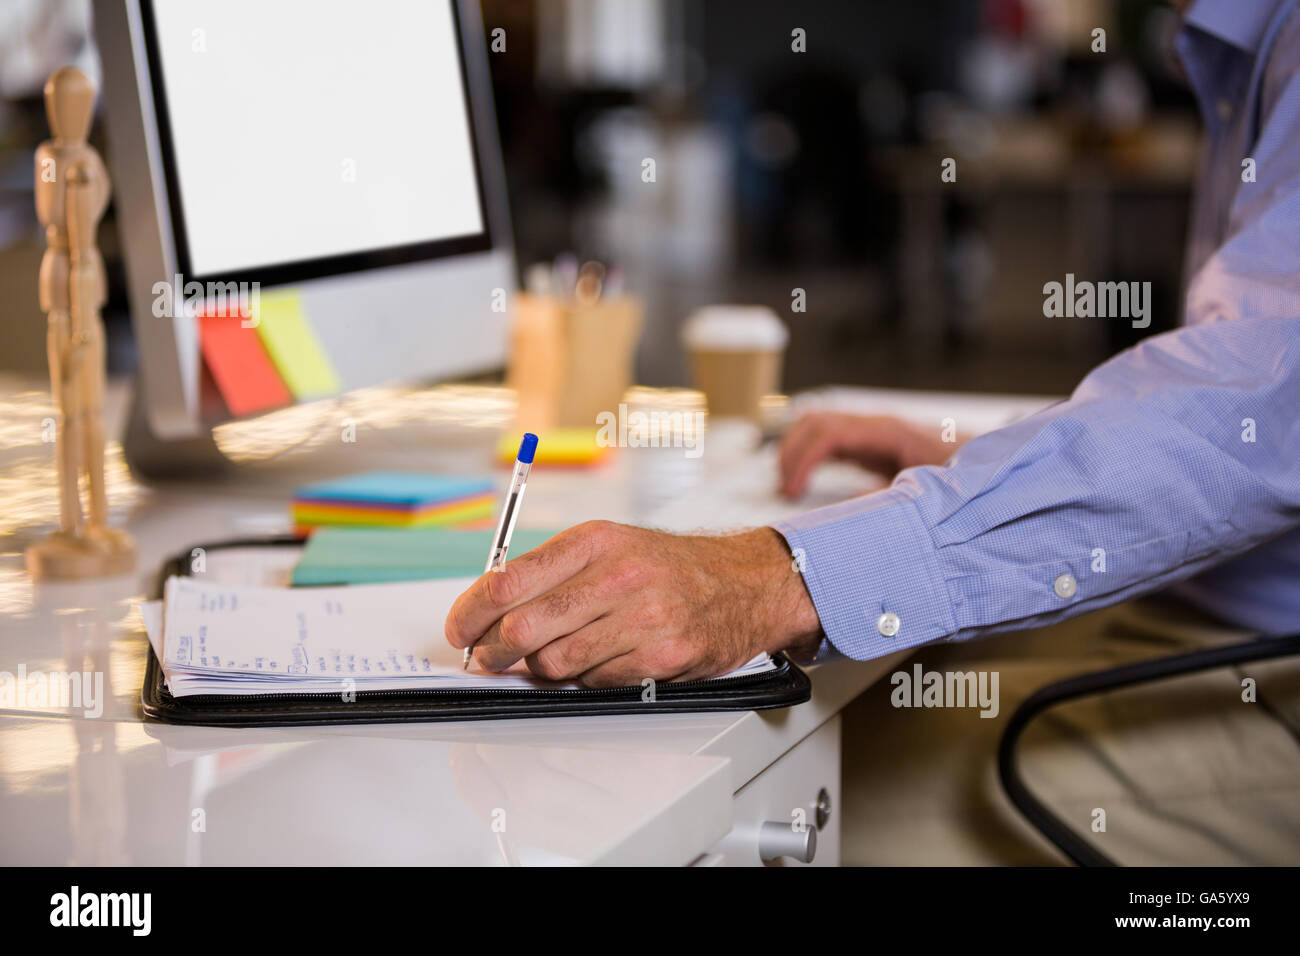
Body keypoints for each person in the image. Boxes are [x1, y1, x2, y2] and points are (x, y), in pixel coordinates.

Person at [447, 0, 1300, 688]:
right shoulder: (1235, 40)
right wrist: (979, 462)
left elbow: (1260, 401)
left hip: (1257, 670)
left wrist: (775, 578)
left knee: (809, 800)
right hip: (1204, 606)